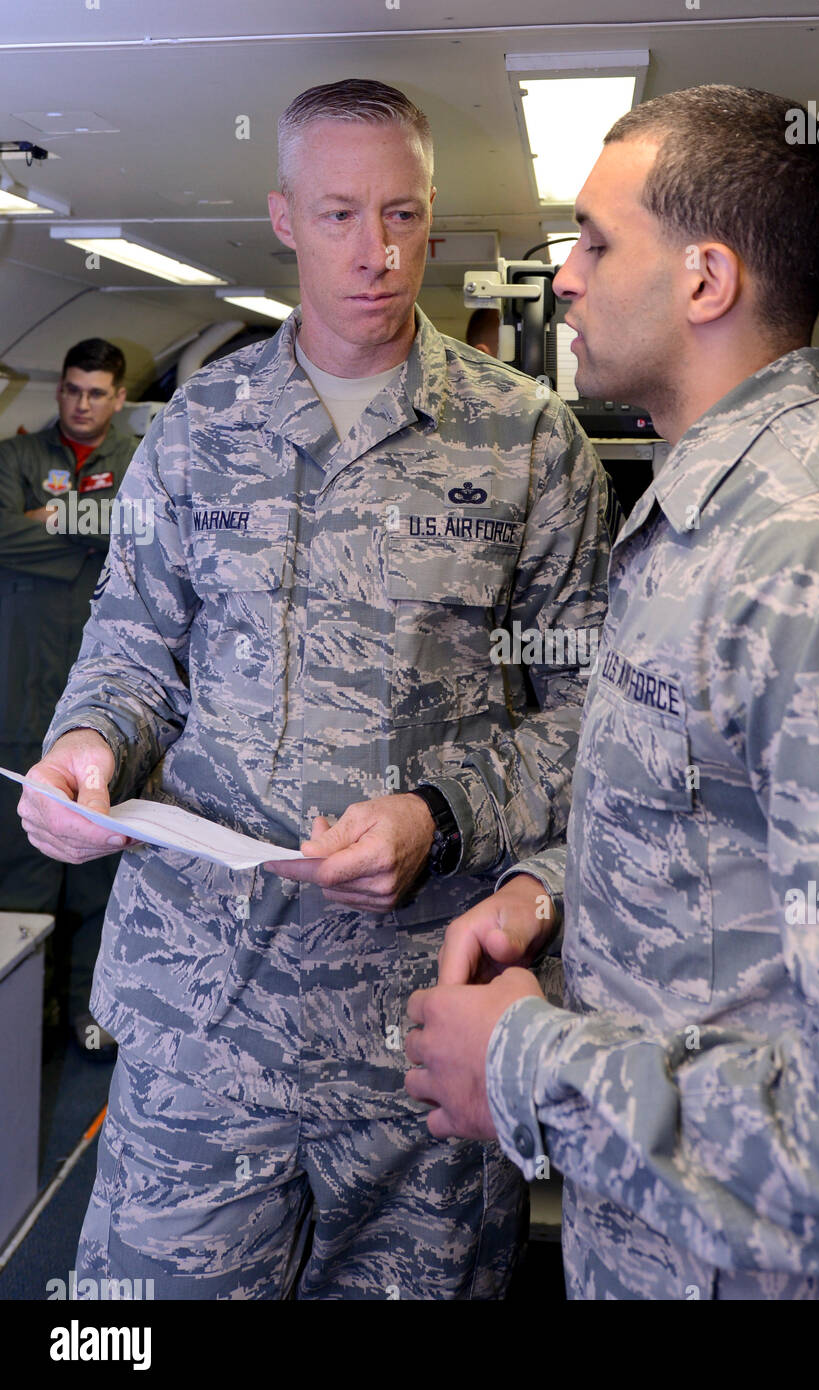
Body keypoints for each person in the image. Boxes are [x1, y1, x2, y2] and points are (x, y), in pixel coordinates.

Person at [403, 85, 819, 1299]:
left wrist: (527, 1067)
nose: (563, 279)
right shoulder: (711, 525)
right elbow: (720, 840)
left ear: (706, 279)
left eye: (597, 244)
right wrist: (551, 900)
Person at [18, 78, 611, 1299]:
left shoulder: (530, 440)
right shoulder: (194, 430)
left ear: (433, 217)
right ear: (284, 217)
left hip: (420, 1036)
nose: (378, 252)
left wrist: (442, 814)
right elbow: (132, 647)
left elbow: (592, 721)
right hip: (203, 1017)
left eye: (403, 215)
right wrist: (87, 745)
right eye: (341, 215)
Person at [0, 338, 136, 1055]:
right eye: (71, 389)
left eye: (96, 393)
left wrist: (41, 525)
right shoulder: (14, 459)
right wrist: (83, 531)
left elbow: (129, 526)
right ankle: (27, 1022)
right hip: (21, 695)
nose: (81, 404)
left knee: (96, 877)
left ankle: (91, 1018)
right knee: (23, 869)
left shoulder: (142, 459)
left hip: (108, 699)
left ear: (117, 398)